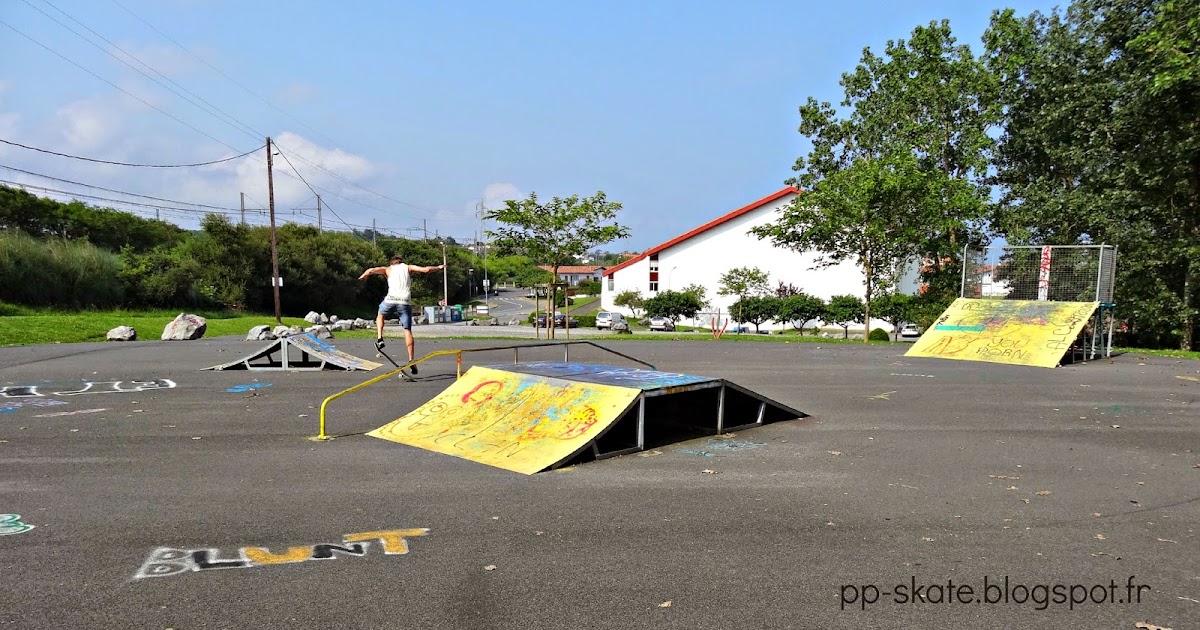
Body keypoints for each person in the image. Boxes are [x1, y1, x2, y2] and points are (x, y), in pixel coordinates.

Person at [358, 255, 444, 373]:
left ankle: (380, 338)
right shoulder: (408, 267)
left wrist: (363, 276)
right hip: (405, 302)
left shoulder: (388, 269)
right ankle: (411, 359)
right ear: (400, 262)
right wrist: (438, 267)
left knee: (380, 314)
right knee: (407, 330)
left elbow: (371, 270)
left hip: (390, 300)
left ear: (392, 263)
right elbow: (426, 270)